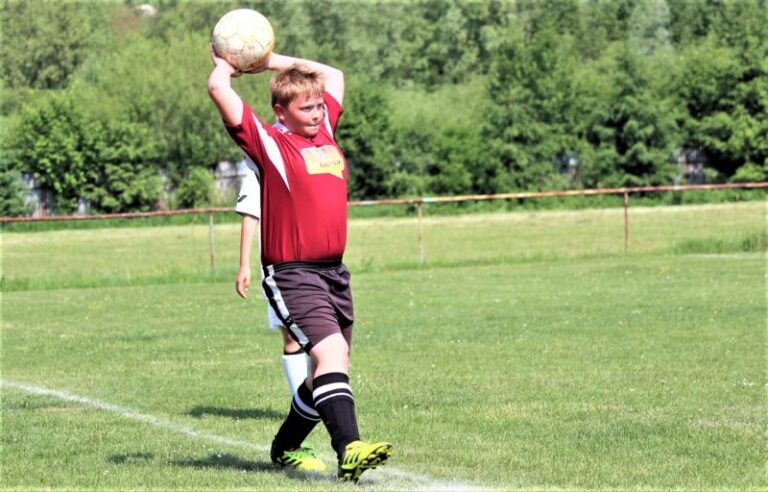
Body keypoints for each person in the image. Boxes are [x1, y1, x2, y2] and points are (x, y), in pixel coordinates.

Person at [208, 47, 392, 482]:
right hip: (293, 272)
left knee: (327, 368)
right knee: (331, 353)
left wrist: (270, 59)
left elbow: (334, 73)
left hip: (334, 273)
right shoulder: (269, 143)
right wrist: (230, 63)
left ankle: (286, 445)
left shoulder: (325, 132)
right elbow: (218, 87)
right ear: (280, 112)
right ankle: (350, 448)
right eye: (305, 108)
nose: (316, 112)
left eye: (318, 105)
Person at [234, 166, 310, 396]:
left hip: (317, 260)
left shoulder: (311, 156)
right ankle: (302, 403)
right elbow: (250, 212)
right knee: (291, 336)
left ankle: (323, 398)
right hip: (281, 265)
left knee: (324, 336)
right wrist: (244, 264)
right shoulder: (261, 163)